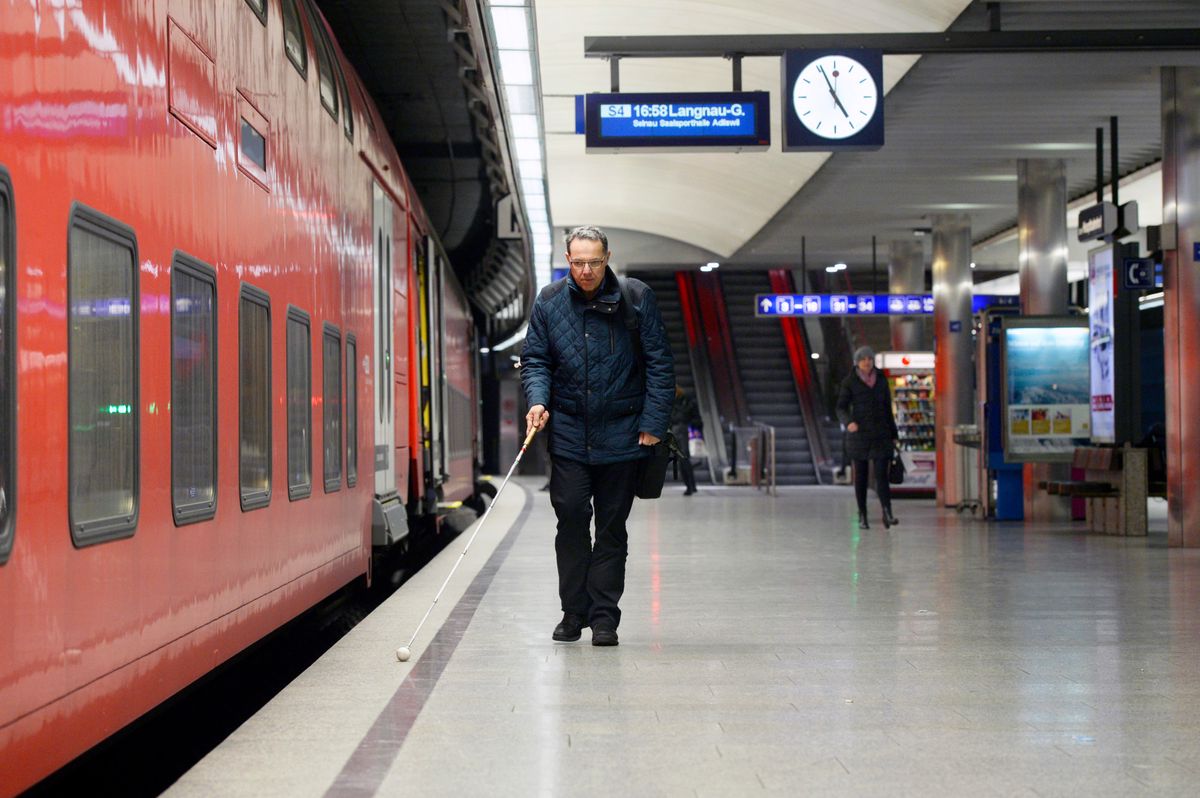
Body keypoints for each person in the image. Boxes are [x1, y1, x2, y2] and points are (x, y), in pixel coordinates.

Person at [521, 225, 674, 647]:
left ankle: (605, 618)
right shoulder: (549, 303)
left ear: (607, 258)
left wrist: (652, 424)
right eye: (578, 262)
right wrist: (538, 400)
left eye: (594, 262)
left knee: (611, 528)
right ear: (567, 260)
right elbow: (536, 360)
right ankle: (574, 611)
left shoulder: (637, 297)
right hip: (570, 432)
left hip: (624, 434)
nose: (586, 270)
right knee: (570, 517)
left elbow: (660, 363)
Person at [836, 345, 899, 530]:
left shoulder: (881, 379)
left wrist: (894, 434)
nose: (867, 362)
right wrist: (848, 422)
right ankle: (863, 515)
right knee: (861, 477)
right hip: (859, 436)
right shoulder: (849, 382)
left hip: (881, 434)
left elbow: (888, 408)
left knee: (882, 476)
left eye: (870, 359)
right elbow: (840, 407)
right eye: (863, 359)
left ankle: (887, 512)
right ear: (857, 362)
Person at [670, 385, 702, 495]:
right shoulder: (671, 403)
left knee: (684, 460)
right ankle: (690, 486)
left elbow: (697, 419)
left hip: (685, 433)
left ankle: (690, 486)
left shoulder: (686, 402)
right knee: (682, 460)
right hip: (677, 433)